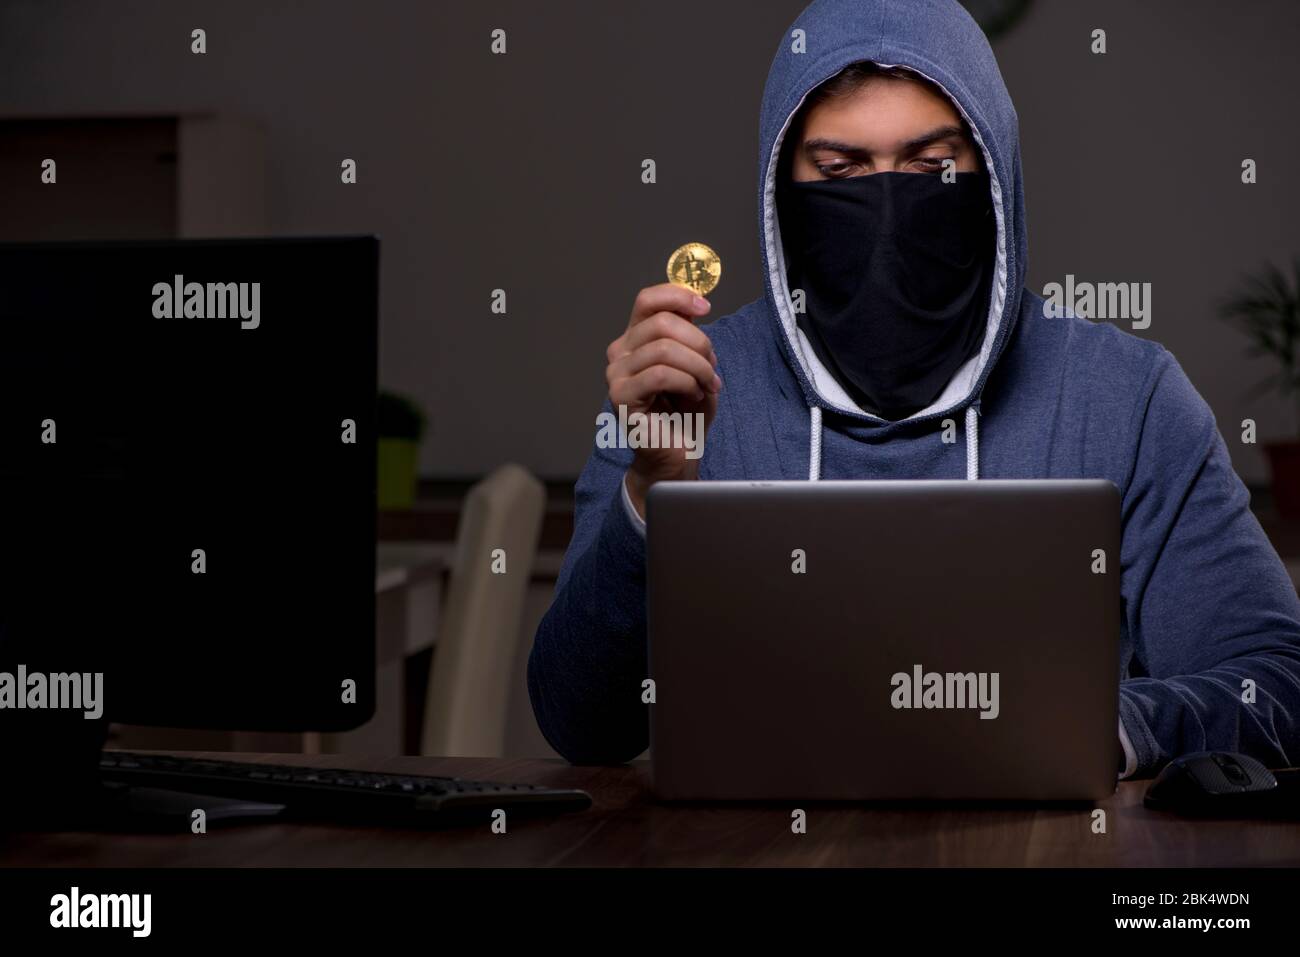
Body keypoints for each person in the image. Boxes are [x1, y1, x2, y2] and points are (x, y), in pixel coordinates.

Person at [527, 0, 1300, 776]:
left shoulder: (1125, 397)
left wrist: (1104, 726)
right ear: (779, 187)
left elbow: (1277, 682)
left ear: (993, 176)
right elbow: (581, 725)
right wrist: (653, 486)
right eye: (840, 171)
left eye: (934, 168)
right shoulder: (683, 387)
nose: (888, 209)